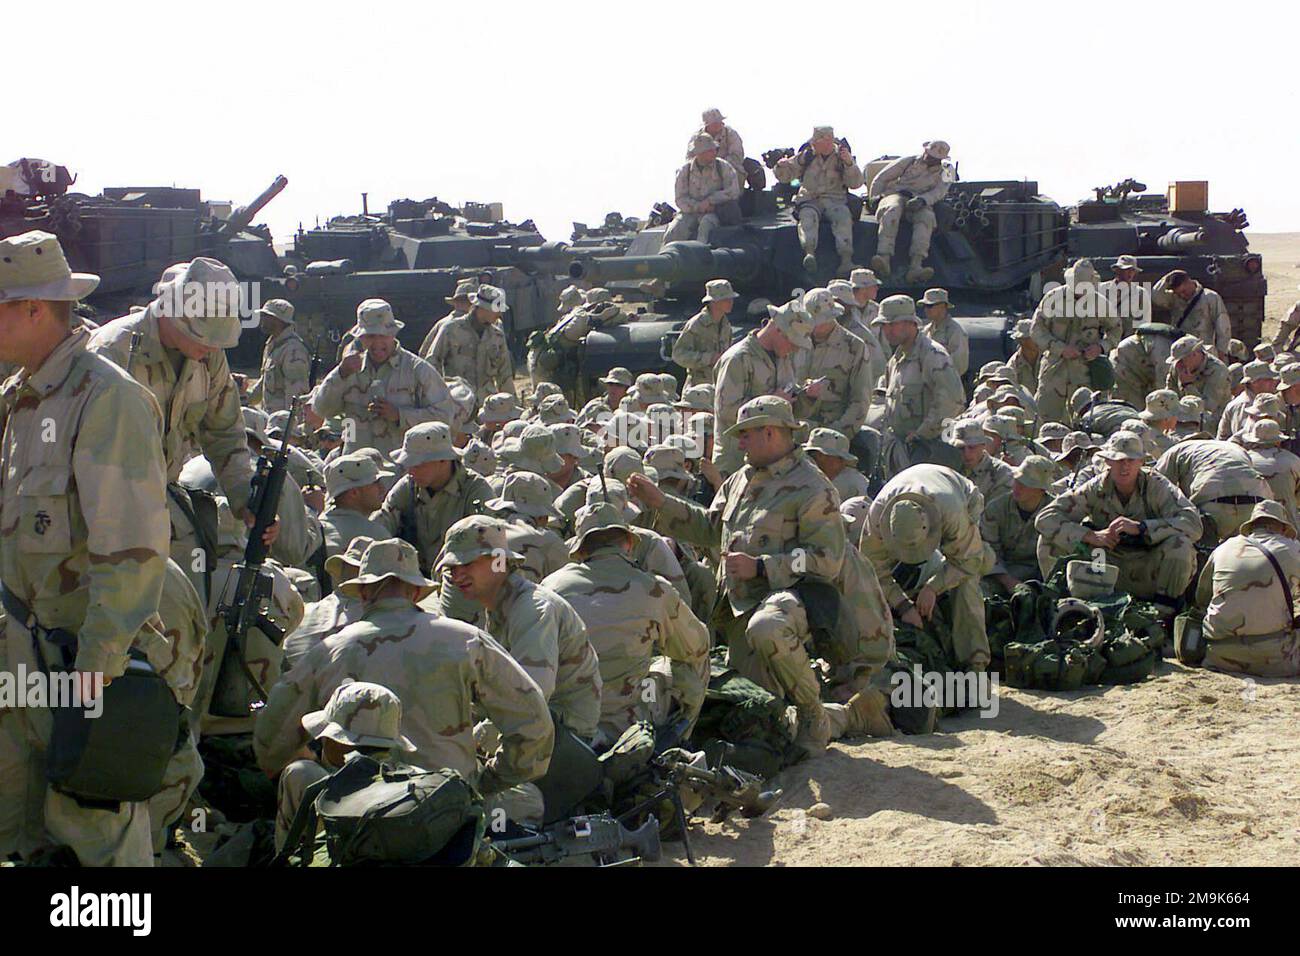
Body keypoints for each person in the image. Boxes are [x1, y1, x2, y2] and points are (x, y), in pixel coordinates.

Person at [0, 231, 170, 866]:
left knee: (97, 839)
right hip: (19, 658)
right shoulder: (20, 398)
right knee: (21, 831)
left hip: (81, 664)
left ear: (33, 309)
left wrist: (94, 674)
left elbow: (131, 546)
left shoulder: (108, 398)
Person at [628, 396, 886, 752]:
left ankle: (814, 714)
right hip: (738, 608)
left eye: (746, 434)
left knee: (767, 626)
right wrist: (662, 503)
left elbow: (826, 559)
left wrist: (763, 565)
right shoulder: (739, 481)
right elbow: (710, 527)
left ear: (770, 432)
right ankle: (851, 715)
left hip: (796, 604)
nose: (739, 442)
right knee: (762, 717)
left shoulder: (813, 487)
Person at [254, 539, 555, 818]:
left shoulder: (329, 652)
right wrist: (487, 780)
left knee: (300, 772)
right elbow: (534, 725)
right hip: (448, 808)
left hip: (356, 815)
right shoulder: (467, 641)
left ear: (363, 592)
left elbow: (271, 738)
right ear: (415, 592)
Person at [88, 257, 264, 602]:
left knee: (184, 612)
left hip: (166, 503)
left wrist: (246, 500)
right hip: (102, 514)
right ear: (170, 313)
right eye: (206, 336)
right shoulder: (111, 352)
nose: (214, 348)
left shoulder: (207, 355)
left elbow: (225, 432)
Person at [438, 516, 603, 742]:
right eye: (453, 569)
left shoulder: (532, 608)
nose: (457, 576)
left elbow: (532, 696)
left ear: (498, 560)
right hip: (540, 731)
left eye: (467, 564)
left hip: (565, 739)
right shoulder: (499, 607)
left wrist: (476, 737)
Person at [1036, 431, 1202, 615]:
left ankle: (1165, 615)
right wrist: (1092, 536)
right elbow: (1046, 518)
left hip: (1148, 566)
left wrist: (1142, 528)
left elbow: (1193, 524)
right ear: (1108, 461)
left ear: (1141, 462)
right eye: (1118, 460)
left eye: (1131, 460)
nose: (1125, 466)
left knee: (1181, 546)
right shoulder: (1096, 487)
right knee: (1048, 541)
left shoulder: (1157, 486)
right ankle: (1061, 608)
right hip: (1105, 563)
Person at [860, 464, 994, 671]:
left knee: (968, 582)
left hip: (961, 496)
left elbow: (968, 561)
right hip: (919, 490)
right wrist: (903, 605)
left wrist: (934, 587)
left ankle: (975, 662)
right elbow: (871, 570)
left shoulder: (953, 512)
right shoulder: (877, 516)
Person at [272, 680, 419, 853]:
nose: (321, 740)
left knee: (299, 772)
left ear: (340, 741)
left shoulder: (310, 778)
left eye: (325, 735)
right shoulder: (415, 779)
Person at [312, 298, 456, 457]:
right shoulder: (349, 370)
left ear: (393, 334)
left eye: (383, 335)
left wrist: (400, 415)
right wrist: (340, 375)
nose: (377, 343)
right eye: (370, 336)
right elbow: (321, 409)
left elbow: (445, 417)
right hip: (355, 467)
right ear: (361, 338)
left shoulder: (417, 370)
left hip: (400, 467)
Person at [1193, 500, 1300, 676]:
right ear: (1281, 528)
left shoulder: (1224, 548)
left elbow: (1202, 599)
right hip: (1273, 658)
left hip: (1219, 655)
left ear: (1251, 527)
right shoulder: (1293, 549)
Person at [372, 421, 493, 574]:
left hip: (460, 579)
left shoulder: (475, 490)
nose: (410, 471)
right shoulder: (408, 486)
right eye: (408, 464)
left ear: (443, 460)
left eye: (417, 464)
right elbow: (383, 521)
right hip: (414, 579)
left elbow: (490, 544)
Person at [712, 301, 815, 475]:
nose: (795, 348)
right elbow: (726, 411)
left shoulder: (784, 358)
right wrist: (772, 402)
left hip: (774, 461)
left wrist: (807, 395)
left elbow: (787, 406)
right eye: (792, 341)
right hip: (737, 462)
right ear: (777, 330)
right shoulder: (737, 359)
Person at [875, 294, 965, 471]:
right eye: (884, 326)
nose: (887, 331)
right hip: (902, 451)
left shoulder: (932, 355)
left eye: (892, 324)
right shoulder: (896, 360)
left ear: (910, 323)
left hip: (929, 452)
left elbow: (953, 401)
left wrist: (922, 433)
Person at [1028, 259, 1120, 424]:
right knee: (1045, 419)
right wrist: (1058, 348)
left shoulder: (1100, 303)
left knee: (1089, 420)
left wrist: (1101, 347)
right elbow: (1037, 329)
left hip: (1086, 373)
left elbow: (1116, 329)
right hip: (1055, 370)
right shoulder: (1053, 298)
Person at [774, 126, 864, 275]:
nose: (824, 144)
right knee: (808, 218)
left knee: (843, 219)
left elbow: (856, 183)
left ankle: (846, 260)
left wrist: (849, 164)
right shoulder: (806, 157)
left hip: (835, 199)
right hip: (810, 198)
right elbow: (785, 176)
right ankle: (809, 253)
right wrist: (780, 166)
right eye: (820, 141)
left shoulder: (841, 157)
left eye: (827, 140)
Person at [1154, 439, 1274, 545]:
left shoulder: (1176, 450)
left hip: (1212, 502)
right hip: (1257, 498)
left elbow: (1157, 486)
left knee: (1202, 552)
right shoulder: (1235, 448)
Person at [868, 140, 952, 283]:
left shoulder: (947, 170)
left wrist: (923, 200)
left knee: (927, 218)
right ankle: (883, 257)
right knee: (892, 209)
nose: (929, 158)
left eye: (934, 158)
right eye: (929, 154)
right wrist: (873, 199)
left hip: (920, 201)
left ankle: (916, 266)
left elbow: (941, 191)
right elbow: (881, 178)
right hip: (897, 193)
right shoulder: (908, 161)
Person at [427, 283, 517, 405]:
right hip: (457, 403)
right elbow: (432, 362)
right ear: (482, 308)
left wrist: (510, 404)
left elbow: (505, 375)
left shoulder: (497, 336)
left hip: (486, 405)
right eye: (497, 310)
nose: (500, 314)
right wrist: (440, 395)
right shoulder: (451, 329)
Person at [980, 455, 1055, 594]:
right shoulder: (997, 508)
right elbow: (987, 549)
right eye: (1017, 480)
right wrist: (1007, 580)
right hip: (999, 570)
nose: (1017, 487)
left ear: (1041, 490)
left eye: (1026, 484)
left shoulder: (1055, 512)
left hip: (1039, 573)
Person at [662, 133, 742, 246]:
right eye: (710, 151)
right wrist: (697, 206)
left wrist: (711, 201)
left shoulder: (723, 167)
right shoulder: (685, 171)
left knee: (706, 226)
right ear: (699, 153)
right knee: (674, 231)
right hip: (689, 213)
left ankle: (700, 255)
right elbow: (680, 198)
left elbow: (733, 191)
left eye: (714, 149)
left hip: (714, 211)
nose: (714, 152)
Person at [318, 453, 389, 557]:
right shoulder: (376, 534)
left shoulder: (315, 530)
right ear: (354, 493)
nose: (382, 489)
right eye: (375, 483)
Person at [248, 298, 311, 414]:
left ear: (278, 320)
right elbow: (265, 383)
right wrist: (245, 399)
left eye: (266, 316)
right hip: (270, 420)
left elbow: (296, 394)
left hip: (283, 424)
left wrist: (289, 427)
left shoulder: (293, 350)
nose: (262, 319)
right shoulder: (273, 345)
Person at [1153, 269, 1232, 360]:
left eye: (1184, 291)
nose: (1182, 295)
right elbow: (1156, 296)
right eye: (1179, 294)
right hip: (1180, 351)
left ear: (1189, 282)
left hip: (1202, 351)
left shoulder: (1210, 297)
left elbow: (1223, 327)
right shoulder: (1174, 299)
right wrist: (1167, 278)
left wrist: (1221, 352)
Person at [672, 279, 737, 388]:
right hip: (698, 389)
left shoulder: (725, 325)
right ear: (714, 302)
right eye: (725, 299)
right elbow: (678, 354)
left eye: (731, 298)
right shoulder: (697, 324)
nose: (731, 302)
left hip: (720, 385)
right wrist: (709, 358)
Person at [1165, 334, 1231, 433]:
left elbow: (1207, 407)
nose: (1179, 364)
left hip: (1210, 423)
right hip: (1181, 419)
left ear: (1195, 354)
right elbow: (1169, 395)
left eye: (1182, 360)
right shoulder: (1177, 367)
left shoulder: (1218, 370)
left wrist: (1188, 385)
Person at [948, 420, 1014, 503]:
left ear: (983, 445)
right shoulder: (950, 467)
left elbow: (996, 511)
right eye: (960, 448)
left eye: (972, 447)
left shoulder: (1002, 473)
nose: (966, 453)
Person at [804, 427, 871, 500]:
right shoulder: (799, 477)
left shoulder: (852, 483)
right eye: (840, 459)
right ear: (820, 456)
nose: (843, 465)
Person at [1217, 361, 1278, 440]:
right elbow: (1242, 439)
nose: (1273, 382)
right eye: (1268, 379)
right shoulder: (1243, 406)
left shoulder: (1263, 401)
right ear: (1254, 383)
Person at [419, 277, 479, 358]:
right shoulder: (444, 325)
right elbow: (425, 354)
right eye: (461, 300)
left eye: (466, 301)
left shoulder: (486, 325)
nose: (463, 303)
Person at [1097, 254, 1150, 340]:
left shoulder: (1140, 293)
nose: (1129, 273)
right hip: (1104, 340)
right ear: (1117, 270)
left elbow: (1144, 323)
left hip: (1128, 342)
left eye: (1132, 270)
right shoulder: (1101, 289)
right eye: (1125, 270)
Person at [920, 288, 968, 379]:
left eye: (930, 305)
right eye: (925, 306)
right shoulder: (926, 331)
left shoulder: (955, 331)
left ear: (943, 306)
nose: (926, 309)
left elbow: (960, 365)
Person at [689, 107, 745, 177]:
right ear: (707, 124)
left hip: (728, 169)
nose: (718, 124)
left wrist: (717, 165)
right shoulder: (697, 137)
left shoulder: (730, 134)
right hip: (703, 172)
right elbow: (690, 157)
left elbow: (737, 156)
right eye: (714, 123)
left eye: (719, 121)